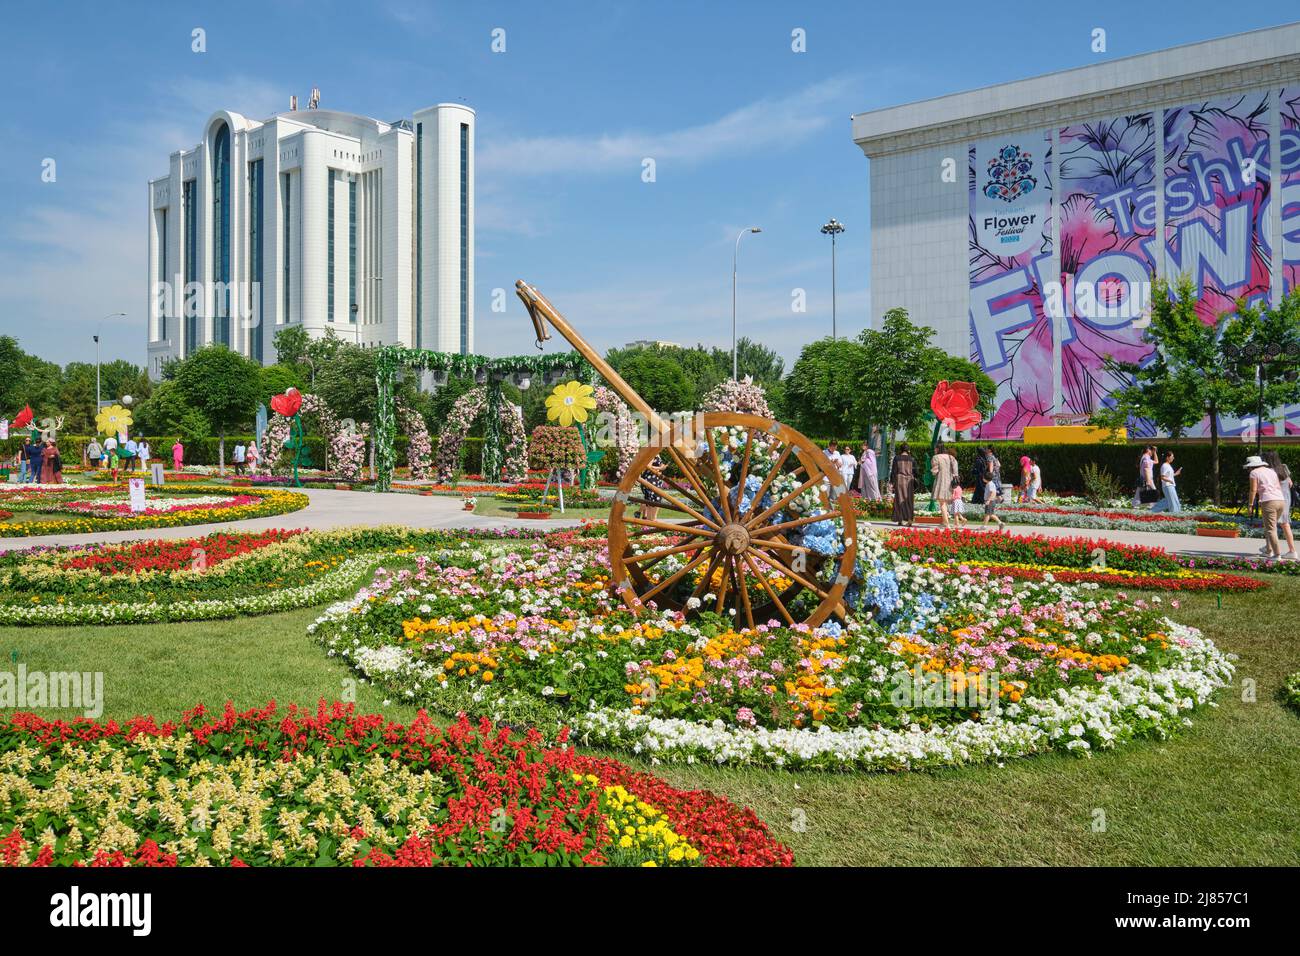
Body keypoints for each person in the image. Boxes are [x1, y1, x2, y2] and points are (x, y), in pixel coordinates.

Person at [1246, 454, 1287, 560]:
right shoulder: (1271, 471)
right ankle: (1269, 550)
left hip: (1268, 501)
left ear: (1251, 466)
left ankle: (1277, 555)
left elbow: (1253, 490)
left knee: (1271, 529)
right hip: (1280, 500)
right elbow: (1278, 485)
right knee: (1269, 526)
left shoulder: (1254, 473)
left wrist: (1250, 505)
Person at [1265, 451, 1297, 559]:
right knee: (1285, 524)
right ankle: (1291, 550)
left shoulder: (1270, 471)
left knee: (1272, 524)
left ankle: (1270, 549)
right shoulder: (1283, 467)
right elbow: (1290, 483)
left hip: (1275, 498)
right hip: (1286, 499)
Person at [930, 442, 959, 527]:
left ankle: (946, 523)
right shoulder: (951, 457)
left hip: (940, 482)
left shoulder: (936, 457)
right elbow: (956, 472)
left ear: (938, 449)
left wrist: (931, 471)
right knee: (945, 503)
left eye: (935, 448)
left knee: (942, 503)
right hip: (950, 483)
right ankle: (944, 522)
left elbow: (935, 472)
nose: (934, 450)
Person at [889, 443, 917, 526]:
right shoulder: (912, 459)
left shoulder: (897, 458)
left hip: (899, 480)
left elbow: (894, 471)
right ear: (908, 450)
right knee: (909, 500)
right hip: (909, 481)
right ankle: (909, 520)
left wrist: (891, 482)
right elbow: (916, 472)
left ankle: (900, 520)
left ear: (901, 449)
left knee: (899, 499)